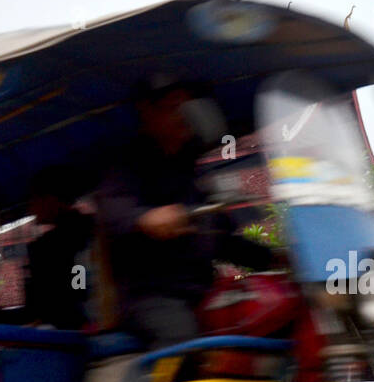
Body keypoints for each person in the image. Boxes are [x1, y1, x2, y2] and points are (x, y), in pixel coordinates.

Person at [96, 74, 278, 348]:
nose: (184, 114)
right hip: (153, 298)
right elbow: (112, 211)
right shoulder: (126, 163)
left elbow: (221, 237)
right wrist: (144, 218)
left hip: (203, 291)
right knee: (182, 341)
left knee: (264, 319)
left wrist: (276, 260)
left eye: (188, 106)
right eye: (174, 106)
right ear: (148, 112)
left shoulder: (193, 167)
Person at [0, 166, 94, 331]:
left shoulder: (55, 243)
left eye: (34, 200)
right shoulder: (79, 232)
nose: (31, 208)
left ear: (49, 200)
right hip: (57, 319)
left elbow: (67, 292)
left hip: (56, 324)